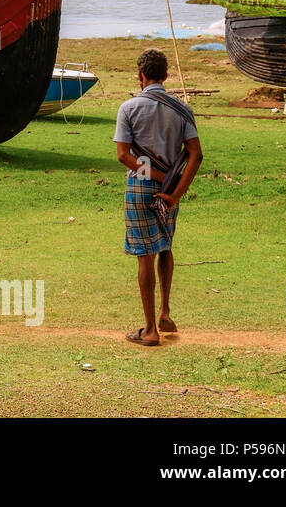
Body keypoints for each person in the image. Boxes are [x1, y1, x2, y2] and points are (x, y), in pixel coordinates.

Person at [113, 48, 203, 347]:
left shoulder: (129, 108)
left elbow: (124, 156)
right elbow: (195, 155)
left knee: (144, 255)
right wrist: (175, 192)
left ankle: (150, 330)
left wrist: (155, 176)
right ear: (165, 75)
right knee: (165, 246)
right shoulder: (181, 109)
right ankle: (165, 312)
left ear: (141, 76)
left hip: (140, 188)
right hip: (170, 194)